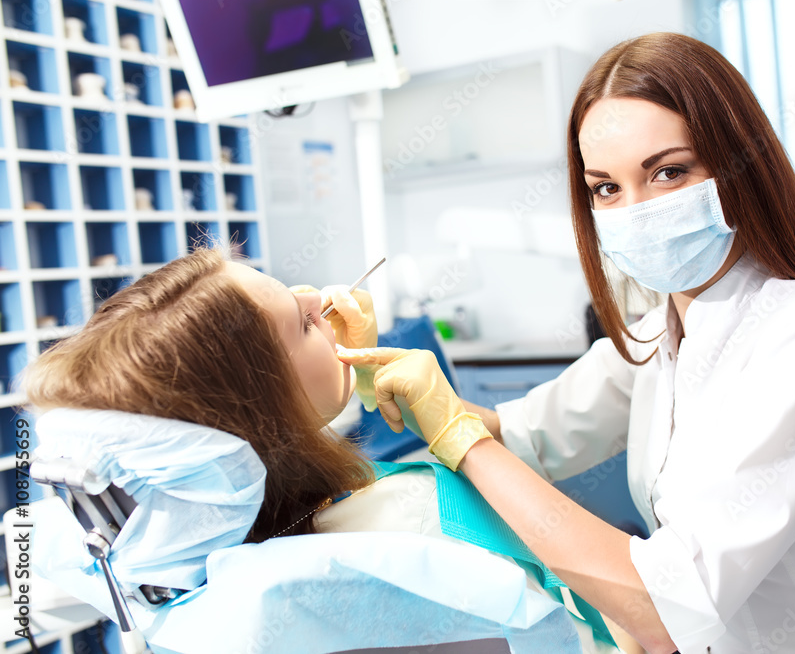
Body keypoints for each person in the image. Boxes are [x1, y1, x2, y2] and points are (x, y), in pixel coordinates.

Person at [337, 32, 795, 654]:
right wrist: (378, 379)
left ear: (738, 166)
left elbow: (668, 609)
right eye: (606, 187)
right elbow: (523, 436)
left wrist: (458, 437)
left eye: (668, 172)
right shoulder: (657, 332)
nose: (633, 211)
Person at [23, 248, 625, 653]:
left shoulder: (234, 544)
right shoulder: (408, 525)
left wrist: (340, 383)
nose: (320, 300)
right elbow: (616, 593)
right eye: (302, 320)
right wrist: (460, 439)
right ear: (263, 409)